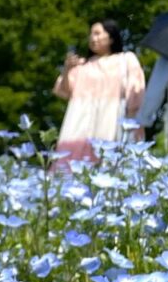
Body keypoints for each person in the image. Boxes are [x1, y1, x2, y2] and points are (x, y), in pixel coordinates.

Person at [52, 19, 144, 170]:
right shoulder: (82, 65)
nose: (92, 38)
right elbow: (64, 91)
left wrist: (133, 123)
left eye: (97, 33)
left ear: (111, 37)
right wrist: (67, 69)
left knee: (106, 164)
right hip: (78, 125)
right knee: (69, 170)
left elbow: (135, 92)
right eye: (91, 34)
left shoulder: (125, 60)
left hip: (110, 121)